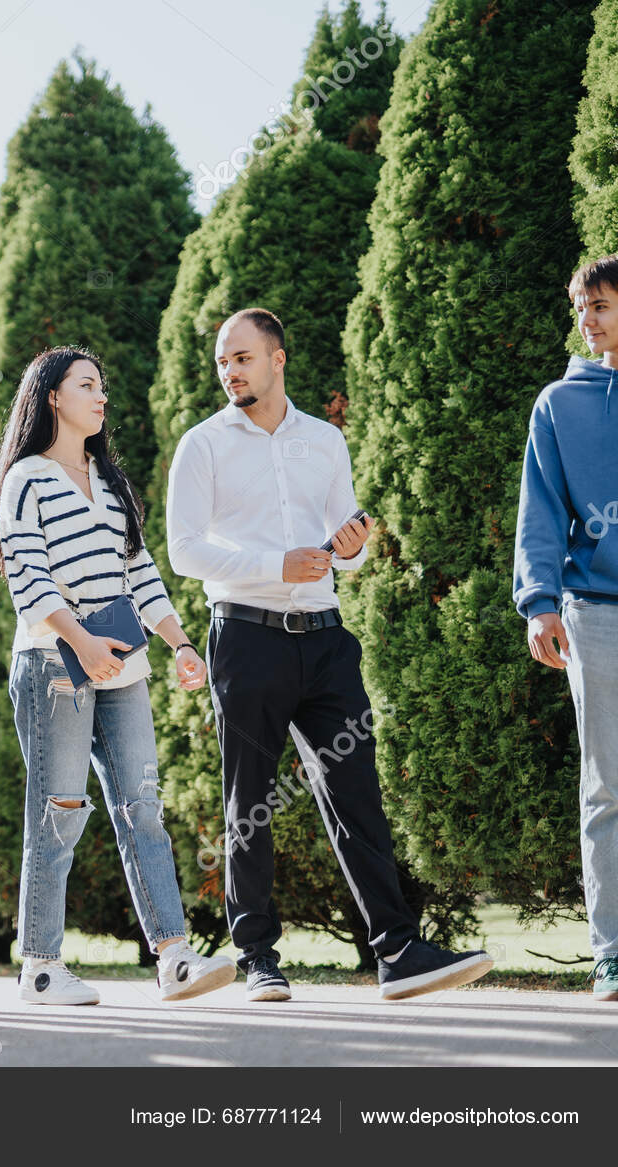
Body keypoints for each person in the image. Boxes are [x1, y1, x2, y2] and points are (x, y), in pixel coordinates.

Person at [166, 307, 493, 1002]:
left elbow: (347, 541)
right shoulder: (202, 445)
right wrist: (276, 563)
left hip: (324, 638)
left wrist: (353, 546)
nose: (230, 371)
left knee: (356, 795)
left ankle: (398, 950)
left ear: (278, 359)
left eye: (243, 358)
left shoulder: (323, 441)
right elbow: (184, 547)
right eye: (223, 361)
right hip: (245, 636)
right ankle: (258, 956)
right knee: (247, 802)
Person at [0, 347, 236, 1005]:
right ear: (52, 397)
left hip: (125, 668)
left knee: (142, 806)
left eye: (102, 385)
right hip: (54, 666)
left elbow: (141, 571)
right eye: (87, 385)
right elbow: (27, 573)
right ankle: (40, 967)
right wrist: (79, 637)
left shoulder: (110, 479)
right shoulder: (25, 479)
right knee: (58, 811)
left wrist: (181, 642)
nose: (101, 397)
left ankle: (174, 957)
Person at [514, 254, 618, 1001]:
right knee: (607, 786)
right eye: (582, 307)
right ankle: (612, 952)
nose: (588, 319)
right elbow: (541, 510)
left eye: (602, 306)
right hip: (595, 612)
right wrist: (539, 601)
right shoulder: (559, 403)